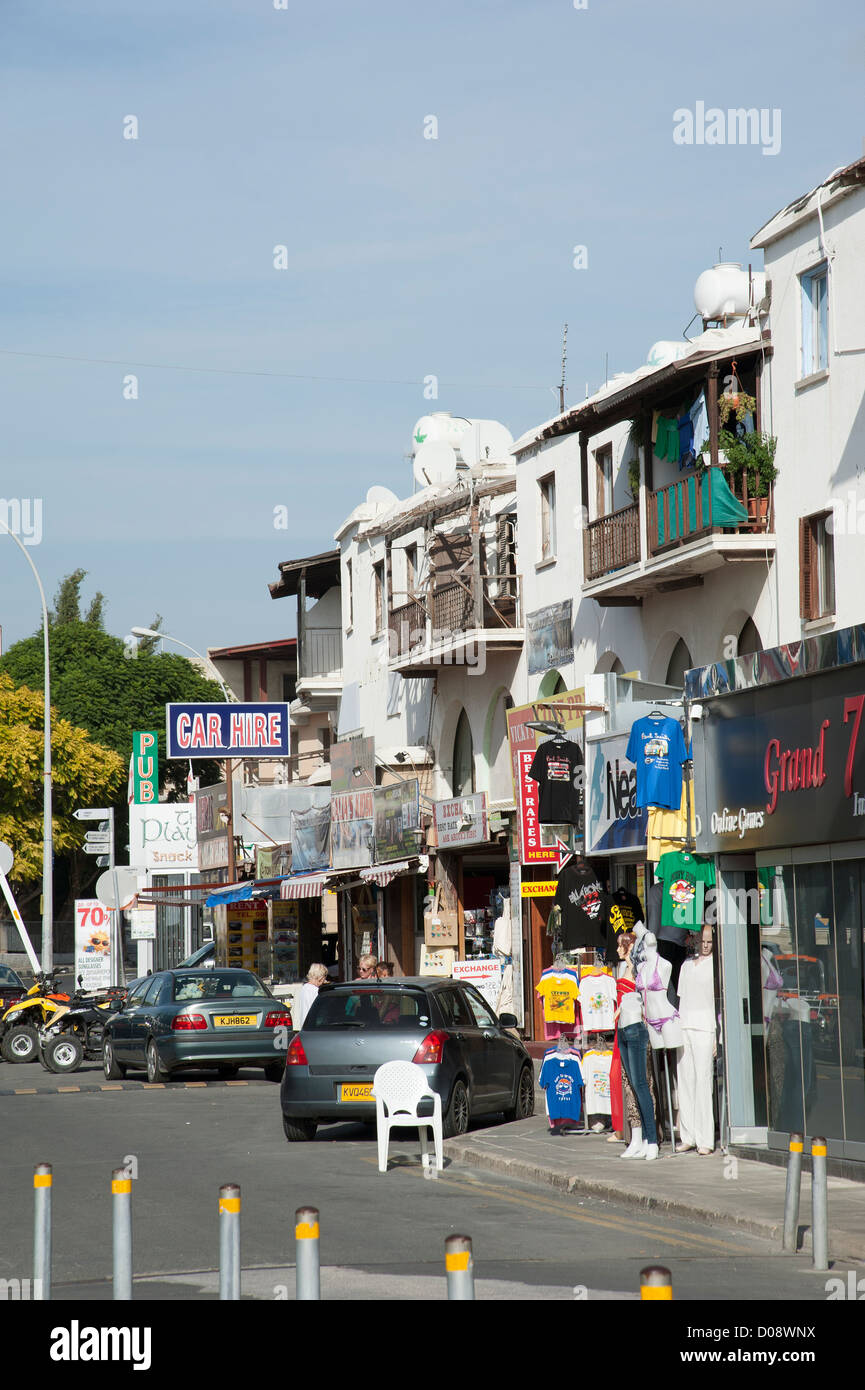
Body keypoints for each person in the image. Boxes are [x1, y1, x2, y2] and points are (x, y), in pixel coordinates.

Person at [294, 963, 328, 1029]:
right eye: (324, 978)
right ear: (321, 977)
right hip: (314, 1027)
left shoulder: (304, 988)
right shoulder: (316, 991)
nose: (324, 981)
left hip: (304, 1025)